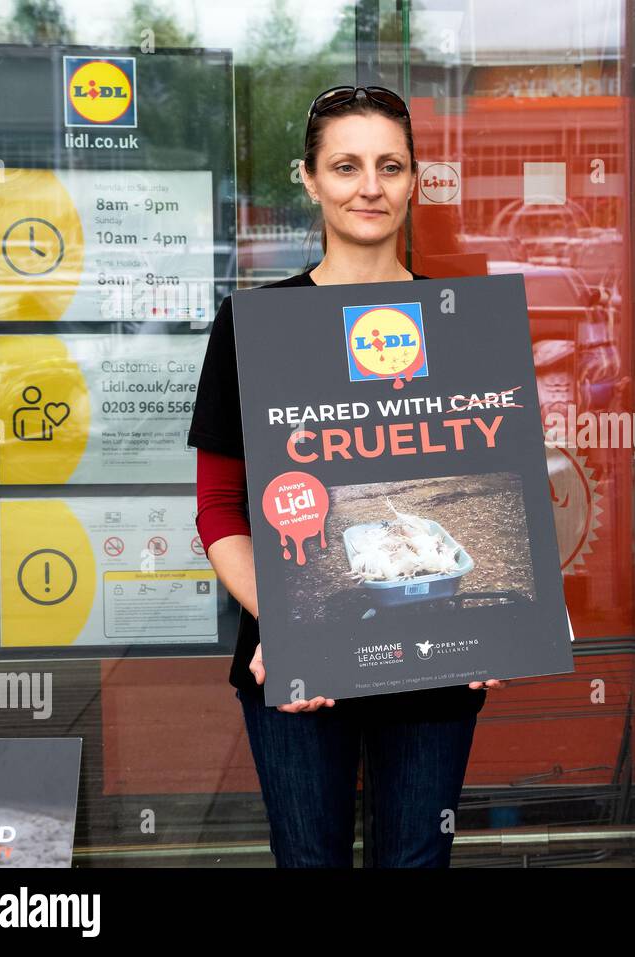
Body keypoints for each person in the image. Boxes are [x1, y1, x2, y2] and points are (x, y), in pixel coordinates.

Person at [188, 86, 500, 868]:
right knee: (309, 860)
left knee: (416, 862)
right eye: (346, 165)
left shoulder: (463, 323)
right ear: (310, 178)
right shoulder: (253, 327)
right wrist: (296, 626)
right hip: (299, 655)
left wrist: (505, 622)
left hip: (434, 647)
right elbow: (219, 509)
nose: (370, 186)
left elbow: (503, 479)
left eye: (390, 166)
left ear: (415, 180)